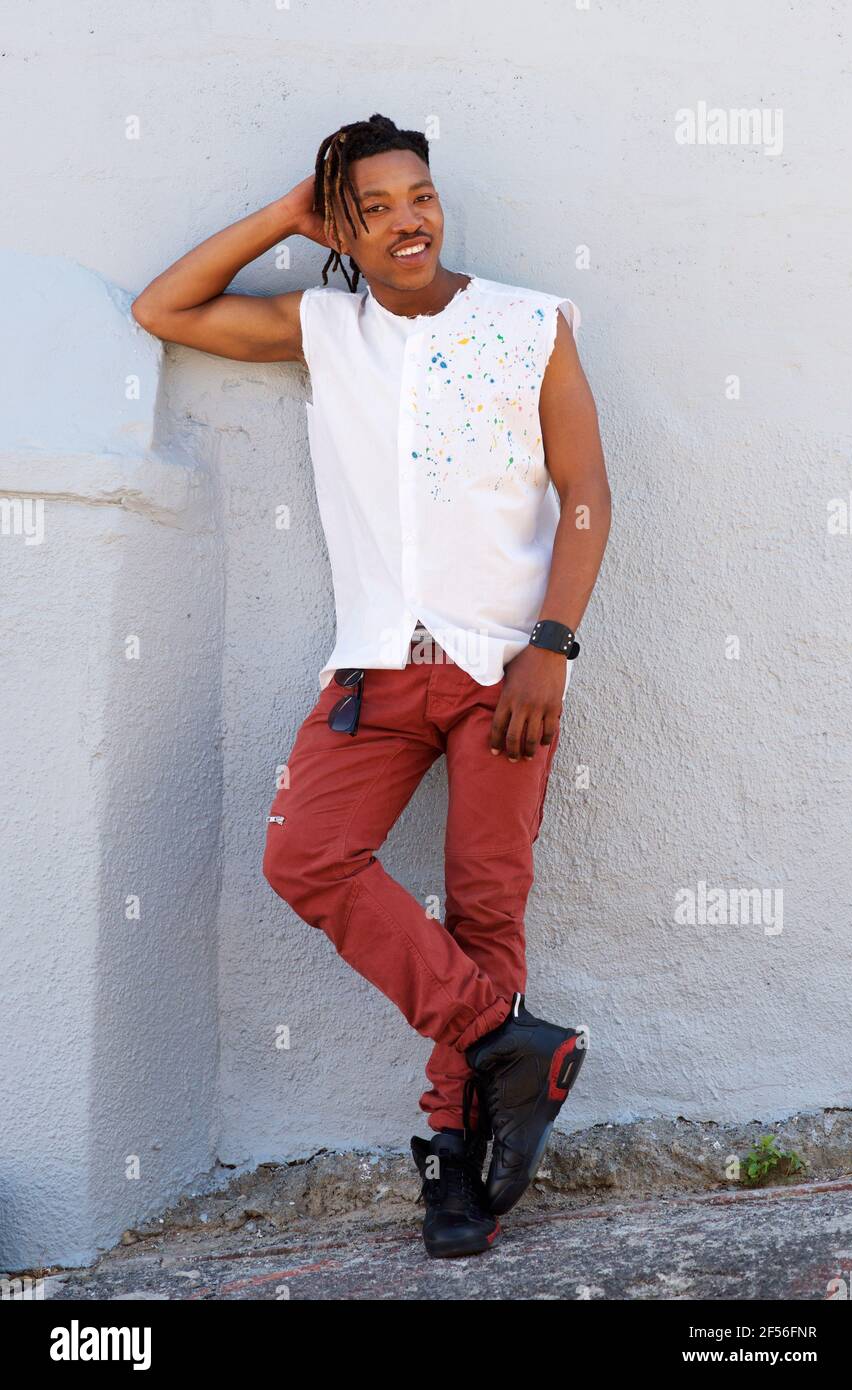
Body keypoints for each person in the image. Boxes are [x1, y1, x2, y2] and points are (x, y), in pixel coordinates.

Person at [132, 113, 611, 1260]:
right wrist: (283, 218)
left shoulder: (526, 323)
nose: (409, 221)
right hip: (375, 670)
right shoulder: (325, 326)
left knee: (486, 908)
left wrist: (553, 644)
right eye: (376, 206)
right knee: (305, 855)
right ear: (342, 225)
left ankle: (456, 1162)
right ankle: (507, 1038)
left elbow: (588, 489)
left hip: (506, 670)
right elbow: (165, 309)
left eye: (422, 196)